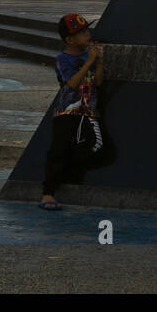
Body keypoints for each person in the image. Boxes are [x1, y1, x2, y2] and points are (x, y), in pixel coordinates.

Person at [40, 13, 104, 210]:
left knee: (93, 146)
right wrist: (88, 62)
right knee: (58, 151)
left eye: (87, 30)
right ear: (70, 40)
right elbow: (73, 83)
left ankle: (73, 185)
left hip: (88, 111)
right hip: (66, 112)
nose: (88, 34)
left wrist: (99, 61)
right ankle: (47, 193)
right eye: (82, 32)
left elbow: (99, 82)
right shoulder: (63, 59)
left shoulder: (89, 55)